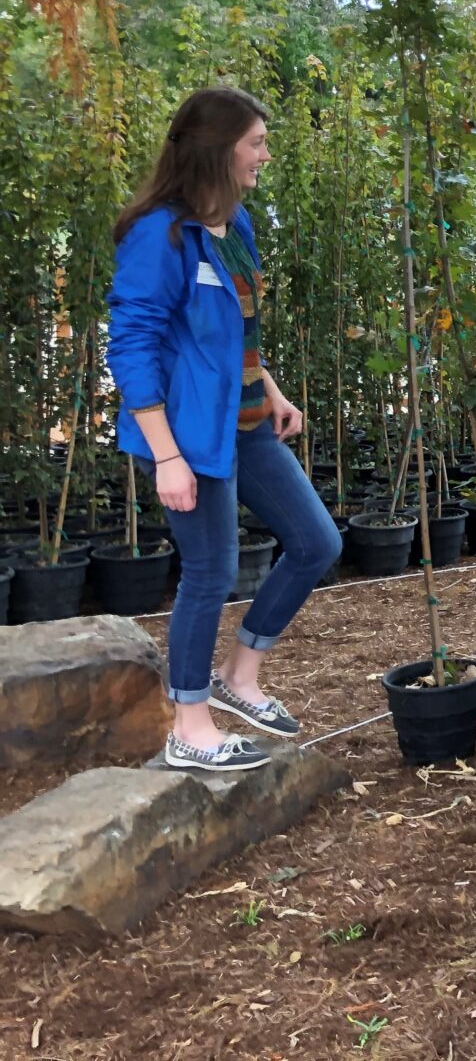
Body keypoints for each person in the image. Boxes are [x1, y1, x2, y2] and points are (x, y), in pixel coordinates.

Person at [106, 87, 343, 773]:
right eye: (256, 144)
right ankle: (189, 726)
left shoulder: (233, 226)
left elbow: (240, 329)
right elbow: (131, 346)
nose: (265, 155)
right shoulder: (161, 234)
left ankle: (239, 678)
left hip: (245, 424)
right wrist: (167, 456)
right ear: (218, 149)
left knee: (315, 542)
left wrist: (269, 389)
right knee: (209, 573)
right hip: (188, 437)